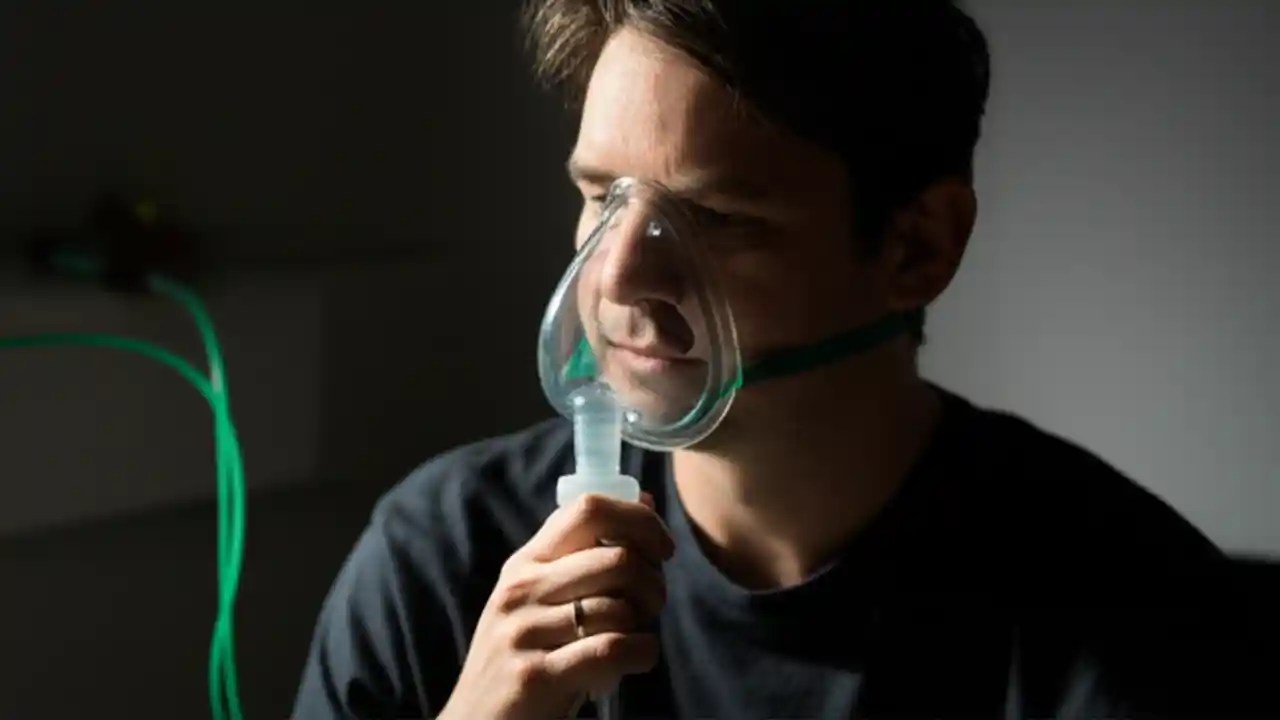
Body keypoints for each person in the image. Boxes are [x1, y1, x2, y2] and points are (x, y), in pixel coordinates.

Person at [293, 2, 1235, 718]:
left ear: (918, 247)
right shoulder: (442, 567)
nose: (617, 278)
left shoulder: (1134, 620)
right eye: (600, 195)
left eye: (710, 219)